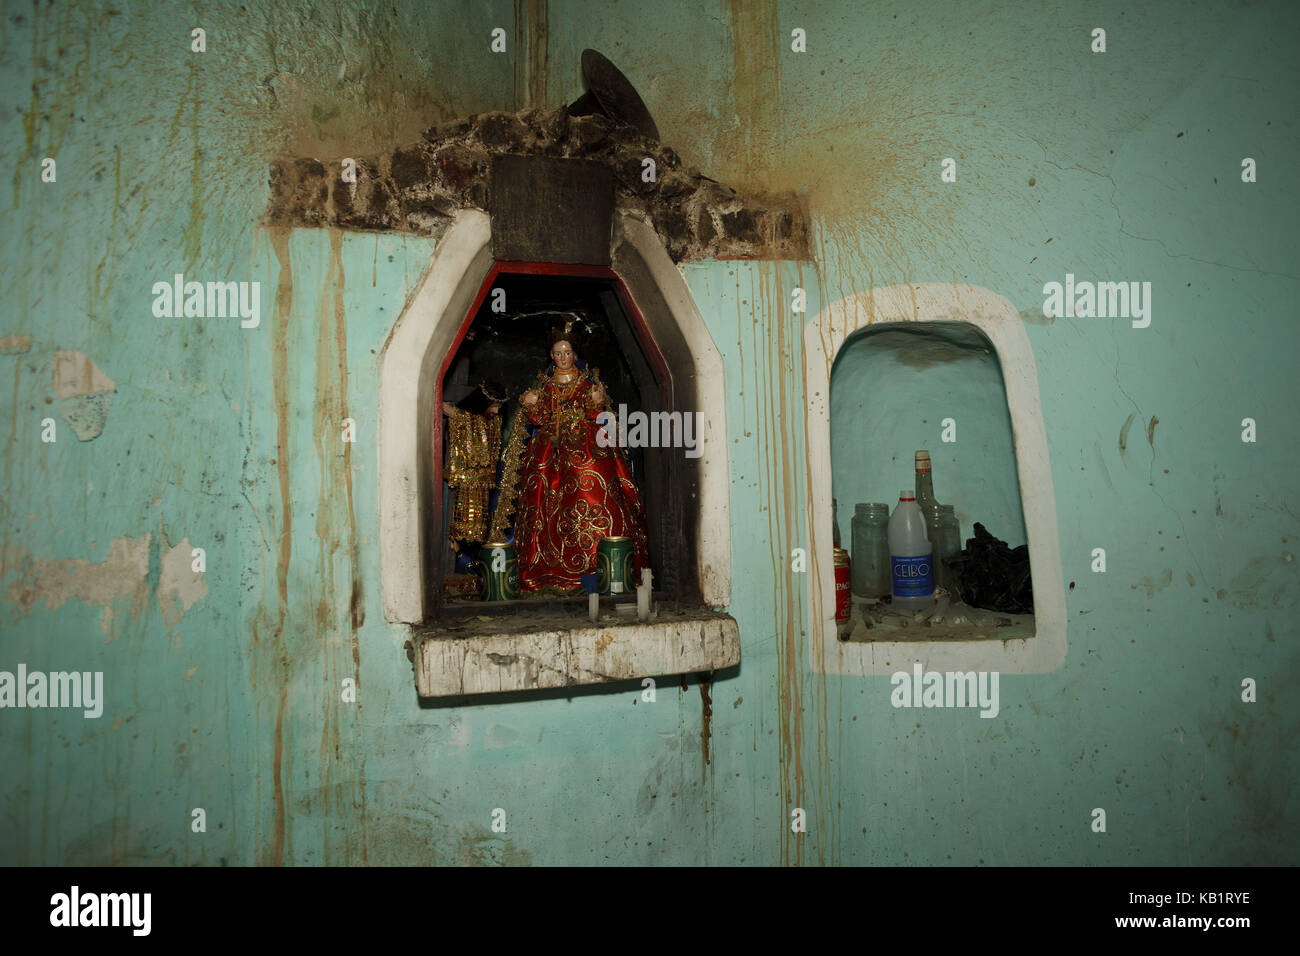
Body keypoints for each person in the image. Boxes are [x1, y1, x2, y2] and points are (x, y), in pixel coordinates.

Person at [511, 318, 649, 592]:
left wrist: (598, 405)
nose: (563, 358)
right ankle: (548, 569)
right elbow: (540, 418)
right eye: (558, 354)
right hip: (550, 450)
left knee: (594, 483)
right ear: (552, 356)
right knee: (541, 491)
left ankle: (601, 562)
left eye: (567, 353)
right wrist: (530, 405)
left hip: (585, 445)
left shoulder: (589, 384)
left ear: (575, 355)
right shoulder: (545, 387)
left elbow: (598, 415)